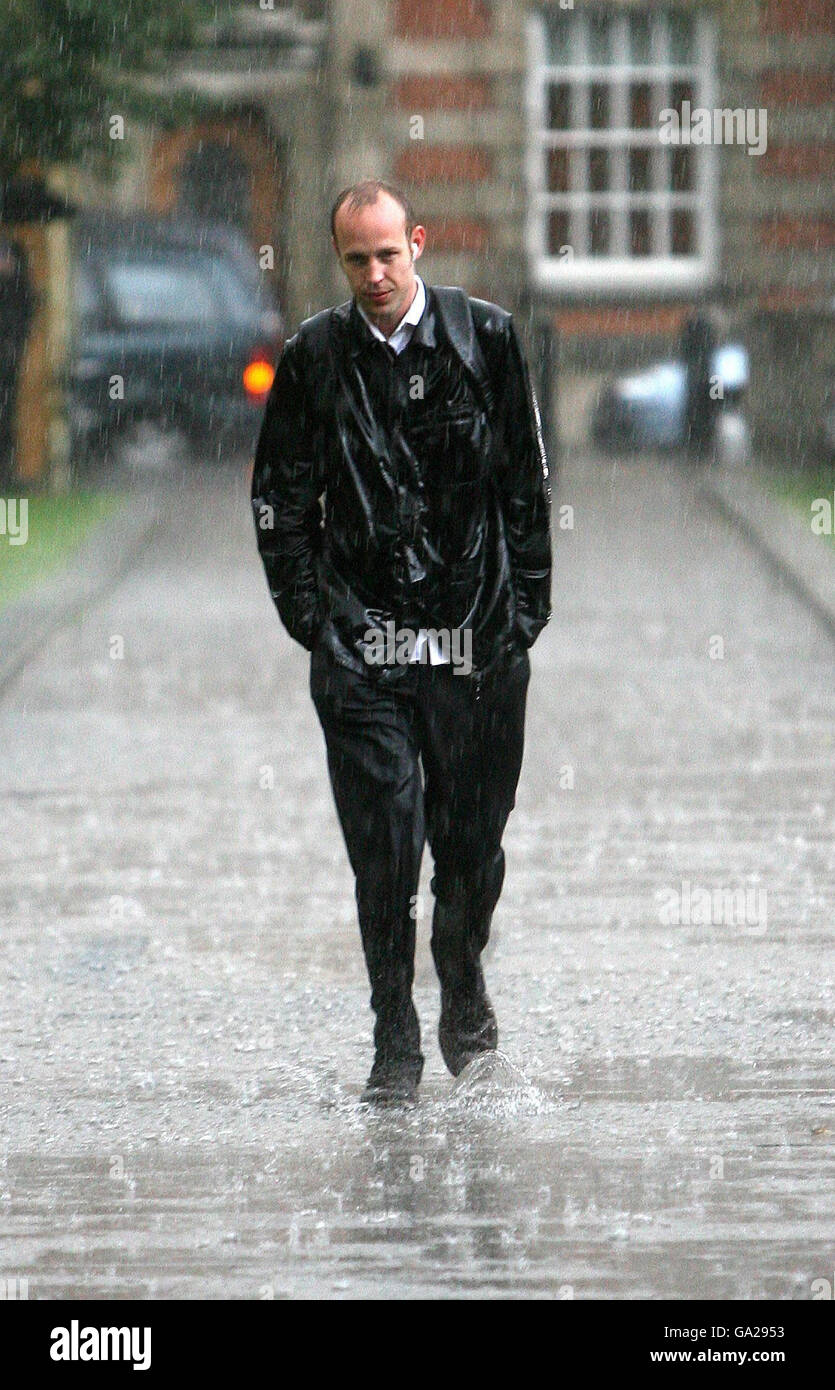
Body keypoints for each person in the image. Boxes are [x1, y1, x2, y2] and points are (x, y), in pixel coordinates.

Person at [251, 179, 552, 1105]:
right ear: (338, 261)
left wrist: (523, 613)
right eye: (356, 260)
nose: (376, 274)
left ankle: (459, 972)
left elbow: (525, 484)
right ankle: (394, 1031)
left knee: (471, 843)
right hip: (362, 646)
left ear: (416, 243)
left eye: (389, 254)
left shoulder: (486, 340)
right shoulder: (313, 358)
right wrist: (313, 618)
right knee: (383, 842)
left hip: (473, 640)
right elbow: (280, 497)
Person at [0, 235, 36, 486]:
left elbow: (25, 302)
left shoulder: (14, 249)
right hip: (8, 349)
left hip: (7, 355)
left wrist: (14, 343)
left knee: (6, 413)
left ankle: (6, 473)